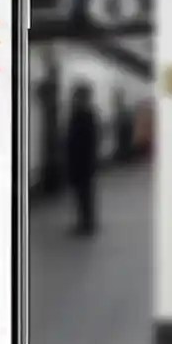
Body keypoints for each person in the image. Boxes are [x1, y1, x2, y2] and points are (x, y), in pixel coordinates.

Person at [65, 82, 99, 235]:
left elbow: (83, 141)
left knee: (84, 194)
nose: (74, 99)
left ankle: (87, 224)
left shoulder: (83, 115)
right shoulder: (85, 114)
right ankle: (85, 222)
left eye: (76, 96)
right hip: (83, 162)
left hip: (82, 162)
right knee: (83, 194)